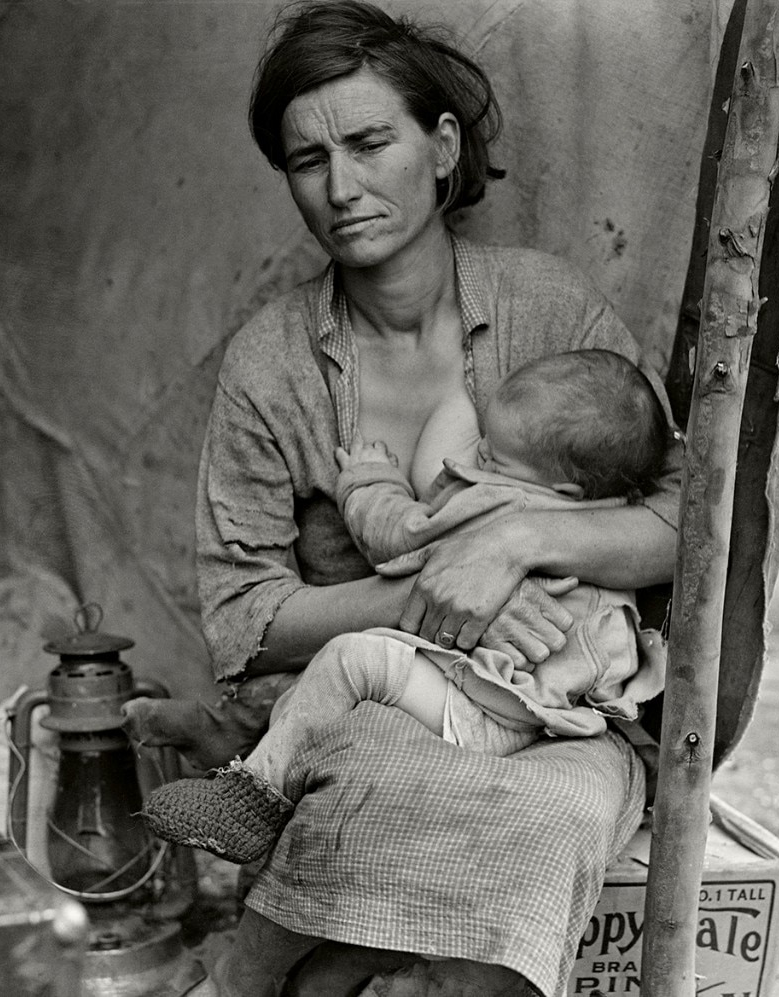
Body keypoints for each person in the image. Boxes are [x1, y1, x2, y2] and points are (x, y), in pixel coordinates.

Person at [122, 3, 683, 994]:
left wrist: (513, 540)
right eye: (307, 160)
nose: (341, 187)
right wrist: (430, 592)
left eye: (369, 141)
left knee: (536, 844)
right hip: (384, 700)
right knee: (366, 792)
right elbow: (241, 621)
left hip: (560, 716)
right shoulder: (272, 362)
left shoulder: (546, 310)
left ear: (439, 145)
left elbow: (686, 523)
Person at [143, 349, 671, 867]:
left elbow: (399, 537)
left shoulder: (501, 503)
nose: (474, 456)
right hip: (542, 704)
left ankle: (251, 800)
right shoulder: (607, 516)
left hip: (493, 711)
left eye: (491, 456)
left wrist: (371, 479)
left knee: (352, 660)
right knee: (338, 685)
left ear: (561, 488)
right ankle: (239, 736)